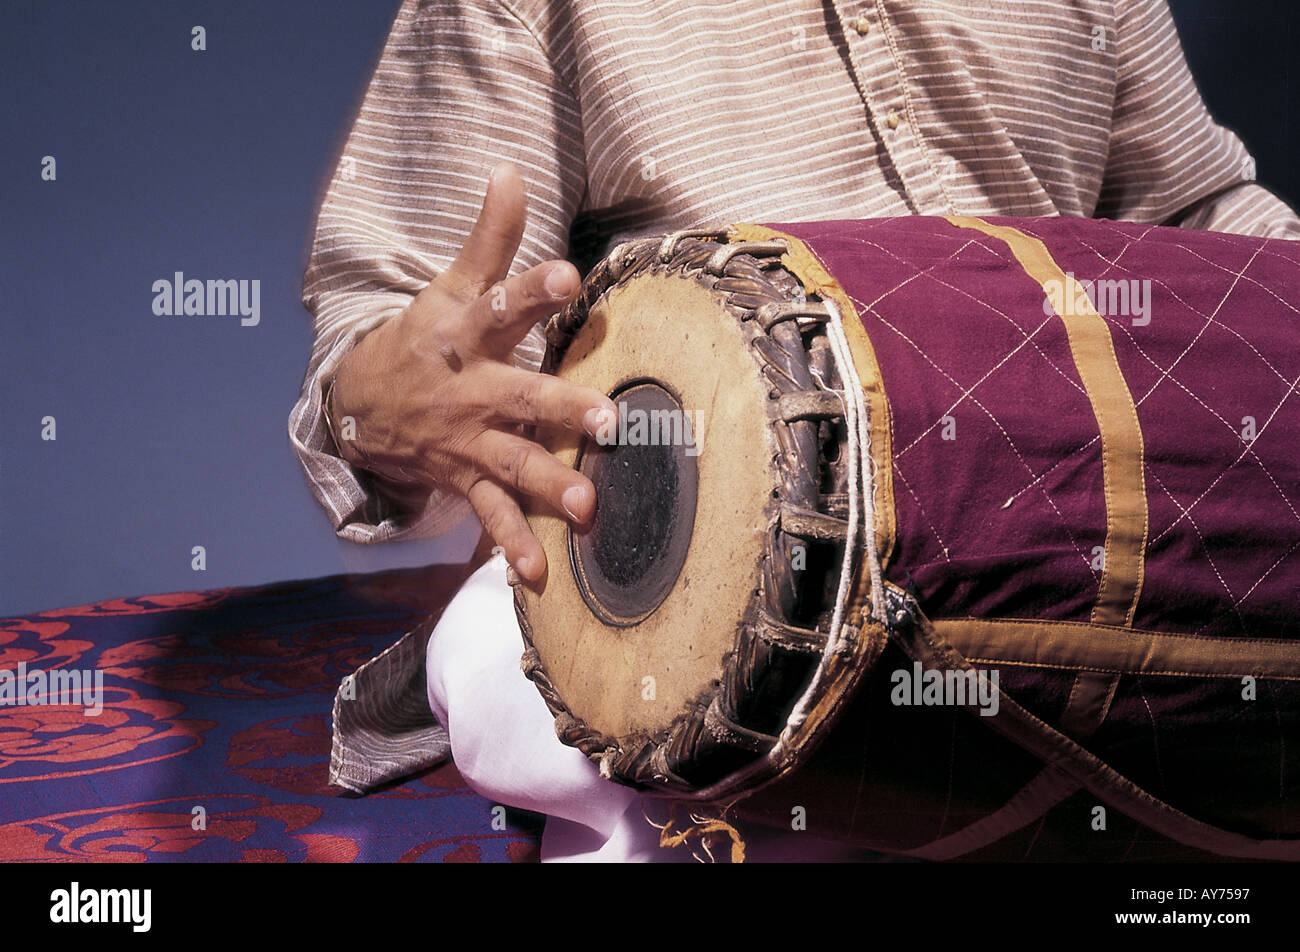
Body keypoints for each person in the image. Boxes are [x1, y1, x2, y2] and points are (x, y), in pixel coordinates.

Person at [289, 0, 1300, 860]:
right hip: (683, 542)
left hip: (1091, 496)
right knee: (512, 665)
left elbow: (1194, 211)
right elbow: (422, 343)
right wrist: (372, 406)